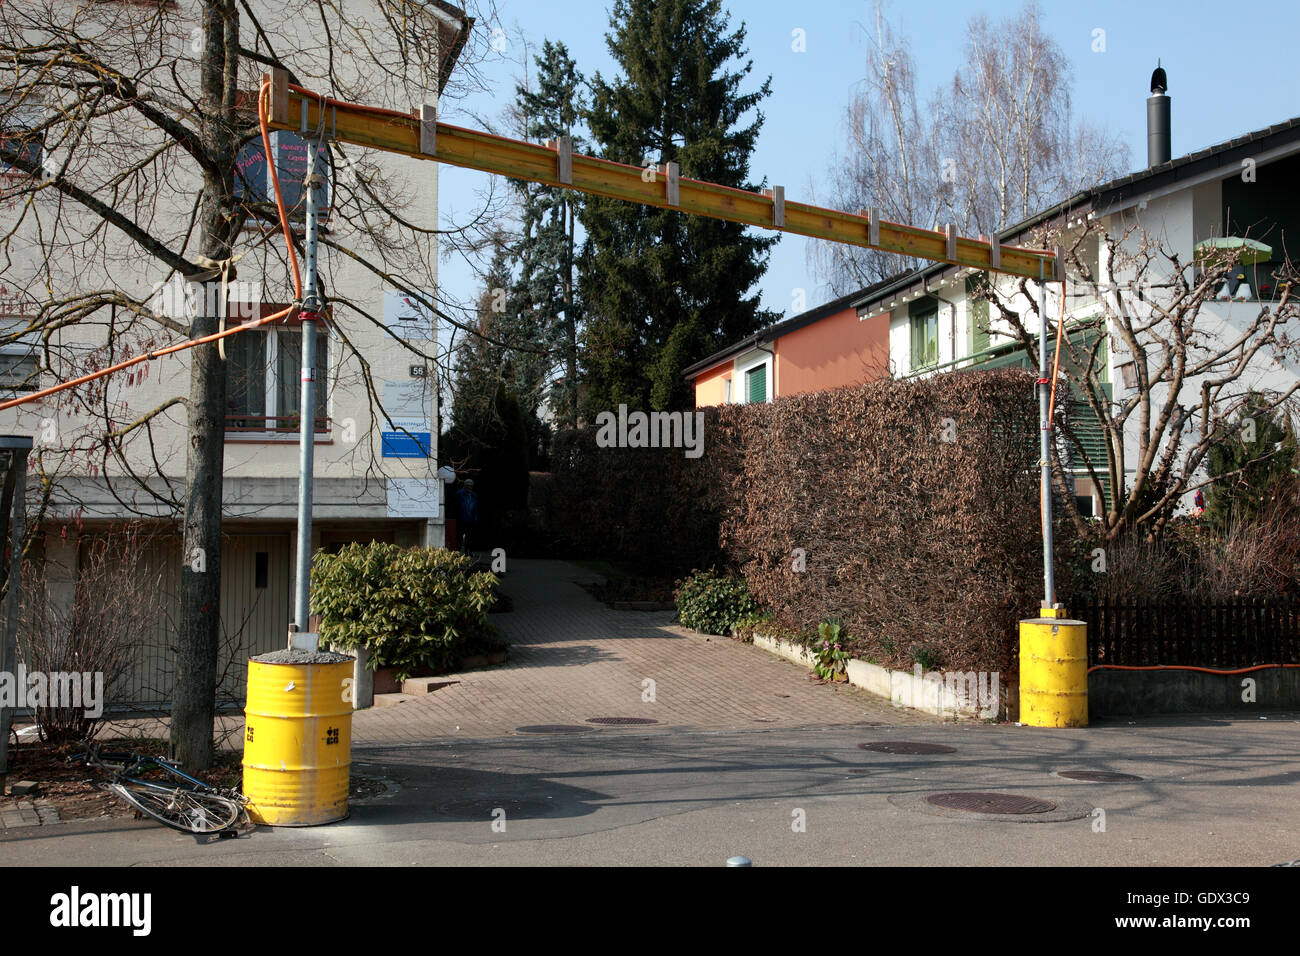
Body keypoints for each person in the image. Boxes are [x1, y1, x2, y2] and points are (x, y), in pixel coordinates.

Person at [457, 479, 479, 553]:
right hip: (461, 519)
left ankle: (468, 552)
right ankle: (458, 552)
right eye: (468, 486)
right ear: (464, 485)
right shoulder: (459, 494)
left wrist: (475, 518)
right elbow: (455, 506)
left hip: (470, 519)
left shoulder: (474, 495)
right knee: (459, 536)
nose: (469, 487)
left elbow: (475, 508)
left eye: (471, 486)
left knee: (469, 537)